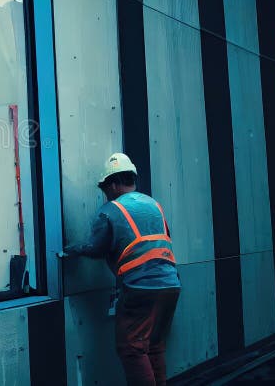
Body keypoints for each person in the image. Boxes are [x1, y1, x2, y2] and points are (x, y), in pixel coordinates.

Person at [62, 153, 181, 386]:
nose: (105, 194)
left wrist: (72, 249)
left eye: (105, 188)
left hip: (141, 286)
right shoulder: (153, 204)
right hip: (170, 284)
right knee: (154, 345)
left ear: (114, 183)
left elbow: (97, 247)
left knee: (132, 349)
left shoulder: (111, 210)